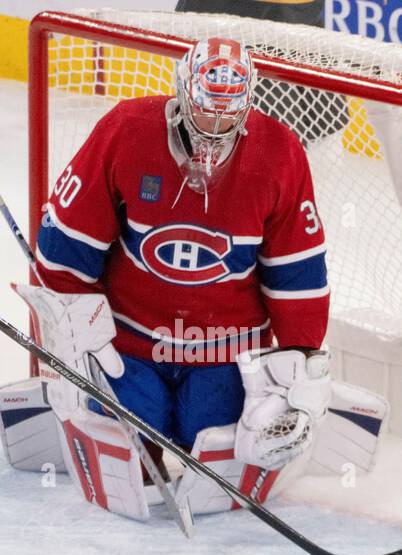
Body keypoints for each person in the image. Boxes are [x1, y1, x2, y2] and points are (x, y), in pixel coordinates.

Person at [17, 35, 331, 520]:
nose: (217, 126)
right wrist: (75, 330)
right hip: (128, 346)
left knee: (215, 447)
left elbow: (297, 273)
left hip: (223, 346)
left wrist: (296, 366)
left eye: (230, 114)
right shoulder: (127, 131)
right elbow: (65, 248)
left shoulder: (278, 155)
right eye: (207, 111)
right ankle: (72, 408)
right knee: (131, 446)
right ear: (183, 95)